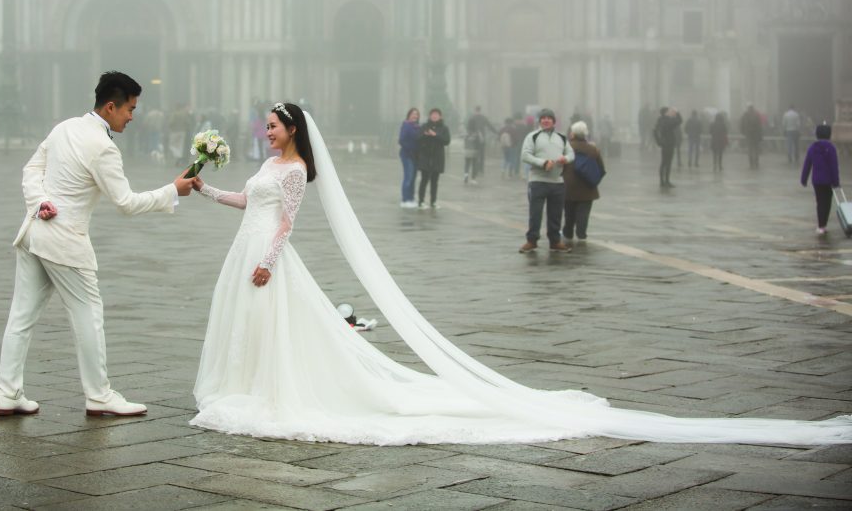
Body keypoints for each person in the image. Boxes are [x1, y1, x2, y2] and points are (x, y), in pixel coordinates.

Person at [187, 102, 851, 446]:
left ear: (292, 130)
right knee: (255, 326)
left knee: (279, 324)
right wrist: (205, 190)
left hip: (267, 256)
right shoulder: (269, 164)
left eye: (272, 126)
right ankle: (252, 384)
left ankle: (271, 391)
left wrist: (269, 261)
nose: (265, 131)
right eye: (265, 126)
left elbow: (286, 223)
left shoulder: (297, 169)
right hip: (248, 246)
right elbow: (249, 201)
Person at [0, 71, 196, 418]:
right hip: (65, 241)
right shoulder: (103, 148)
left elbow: (31, 170)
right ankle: (99, 395)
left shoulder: (64, 128)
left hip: (34, 232)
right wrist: (172, 191)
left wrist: (40, 200)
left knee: (21, 317)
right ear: (110, 107)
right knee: (88, 316)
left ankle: (7, 393)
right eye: (130, 109)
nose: (132, 117)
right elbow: (126, 203)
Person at [519, 108, 574, 253]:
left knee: (555, 215)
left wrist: (565, 159)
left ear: (554, 121)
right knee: (535, 213)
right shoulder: (532, 136)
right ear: (539, 121)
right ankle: (532, 241)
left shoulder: (561, 137)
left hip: (557, 182)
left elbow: (571, 154)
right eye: (543, 118)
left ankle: (555, 241)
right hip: (538, 181)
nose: (546, 120)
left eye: (549, 118)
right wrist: (543, 163)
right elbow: (525, 155)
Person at [562, 121, 605, 245]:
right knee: (584, 213)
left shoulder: (566, 148)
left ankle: (568, 232)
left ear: (573, 134)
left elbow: (560, 167)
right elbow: (601, 168)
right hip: (587, 187)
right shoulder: (592, 149)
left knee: (569, 212)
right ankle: (581, 234)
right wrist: (594, 180)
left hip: (568, 186)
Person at [801, 124, 841, 235]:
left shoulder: (812, 148)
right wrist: (836, 181)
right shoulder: (831, 148)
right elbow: (834, 166)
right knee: (827, 203)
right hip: (828, 181)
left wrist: (804, 179)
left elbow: (807, 164)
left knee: (820, 202)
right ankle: (824, 224)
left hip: (817, 180)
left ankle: (820, 225)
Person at [415, 108, 450, 209]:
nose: (434, 116)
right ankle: (421, 201)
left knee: (435, 181)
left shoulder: (444, 128)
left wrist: (435, 135)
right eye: (433, 114)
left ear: (440, 116)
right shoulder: (424, 126)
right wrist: (425, 135)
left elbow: (447, 141)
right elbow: (418, 139)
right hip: (426, 157)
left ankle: (433, 202)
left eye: (436, 114)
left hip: (437, 158)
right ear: (430, 116)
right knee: (424, 180)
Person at [465, 106, 498, 179]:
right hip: (481, 139)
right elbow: (490, 126)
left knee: (475, 155)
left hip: (474, 139)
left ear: (475, 110)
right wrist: (496, 132)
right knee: (481, 155)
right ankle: (481, 169)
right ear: (480, 110)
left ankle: (476, 169)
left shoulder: (472, 118)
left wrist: (469, 136)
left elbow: (468, 128)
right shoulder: (483, 118)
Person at [398, 108, 420, 208]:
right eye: (413, 114)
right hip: (407, 155)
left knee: (413, 178)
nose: (415, 116)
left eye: (417, 114)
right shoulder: (406, 125)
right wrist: (410, 149)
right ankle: (405, 199)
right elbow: (401, 140)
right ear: (409, 115)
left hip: (415, 156)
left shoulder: (417, 126)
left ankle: (411, 198)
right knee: (408, 177)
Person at [653, 107, 680, 188]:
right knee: (668, 163)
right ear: (665, 113)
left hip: (664, 144)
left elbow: (655, 131)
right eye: (668, 111)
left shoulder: (660, 120)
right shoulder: (668, 120)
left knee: (663, 163)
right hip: (669, 144)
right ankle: (667, 181)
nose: (669, 112)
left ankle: (662, 181)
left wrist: (659, 142)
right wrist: (676, 112)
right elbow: (679, 120)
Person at [740, 104, 763, 169]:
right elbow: (759, 126)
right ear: (753, 108)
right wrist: (760, 135)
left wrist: (743, 132)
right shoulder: (756, 115)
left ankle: (751, 163)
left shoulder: (745, 115)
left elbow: (742, 124)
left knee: (750, 149)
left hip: (749, 135)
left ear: (748, 108)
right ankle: (756, 163)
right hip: (756, 135)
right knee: (756, 149)